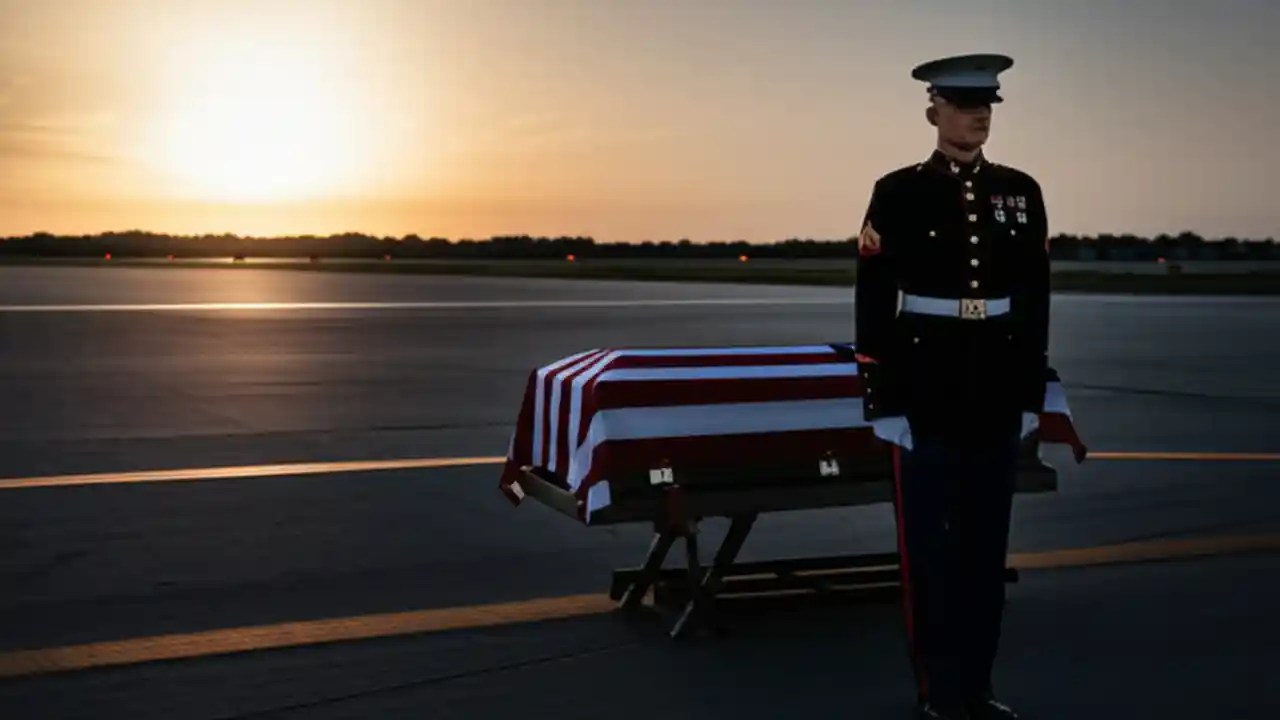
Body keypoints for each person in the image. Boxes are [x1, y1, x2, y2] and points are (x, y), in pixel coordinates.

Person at [854, 54, 1051, 720]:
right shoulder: (898, 190)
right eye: (966, 104)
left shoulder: (1021, 190)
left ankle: (979, 688)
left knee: (984, 556)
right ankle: (938, 693)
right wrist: (882, 402)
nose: (980, 114)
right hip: (925, 390)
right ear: (933, 110)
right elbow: (875, 297)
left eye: (988, 104)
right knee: (930, 559)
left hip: (994, 391)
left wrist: (1031, 395)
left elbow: (1034, 299)